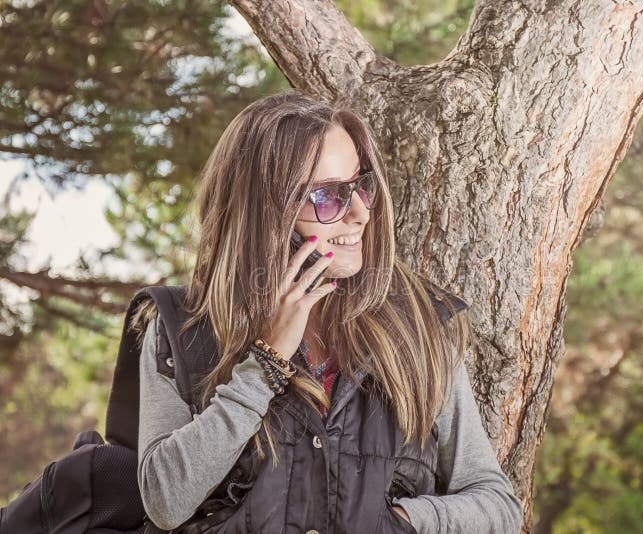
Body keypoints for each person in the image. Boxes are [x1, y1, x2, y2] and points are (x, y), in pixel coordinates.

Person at [134, 90, 523, 533]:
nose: (359, 213)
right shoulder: (182, 327)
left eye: (361, 186)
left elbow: (499, 506)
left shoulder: (418, 325)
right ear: (266, 214)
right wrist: (265, 365)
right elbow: (165, 500)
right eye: (328, 196)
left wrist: (401, 522)